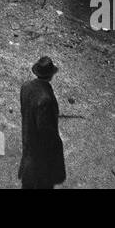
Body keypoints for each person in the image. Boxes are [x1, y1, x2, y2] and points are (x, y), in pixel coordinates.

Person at [18, 56, 66, 190]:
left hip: (28, 140)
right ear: (50, 75)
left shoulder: (26, 87)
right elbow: (47, 132)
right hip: (42, 153)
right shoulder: (46, 99)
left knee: (28, 181)